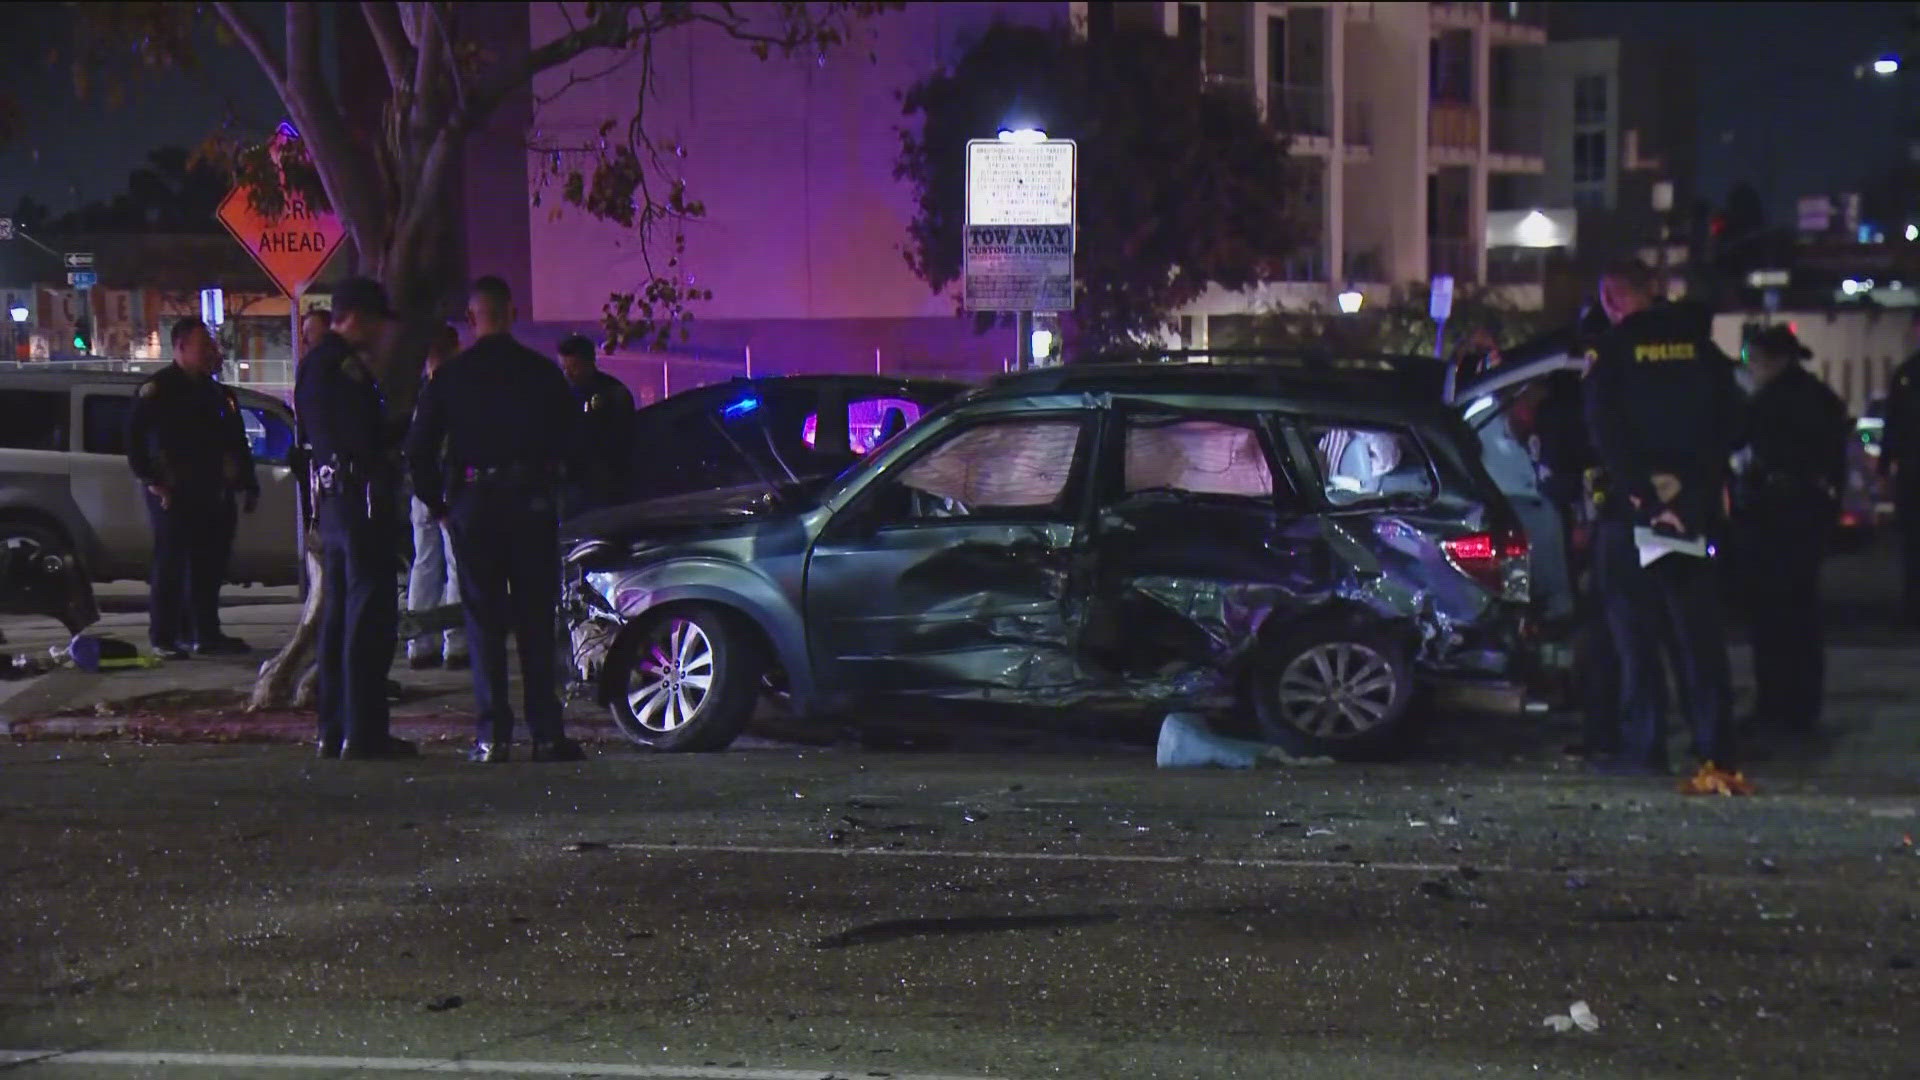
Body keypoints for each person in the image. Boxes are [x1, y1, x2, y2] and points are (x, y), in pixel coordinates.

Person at [408, 276, 584, 763]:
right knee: (534, 620)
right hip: (529, 503)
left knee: (483, 622)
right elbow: (574, 439)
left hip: (476, 504)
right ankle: (546, 733)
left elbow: (418, 450)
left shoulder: (451, 377)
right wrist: (555, 487)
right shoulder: (541, 373)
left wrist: (441, 506)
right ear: (512, 312)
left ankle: (493, 736)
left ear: (471, 318)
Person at [1583, 259, 1746, 778]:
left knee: (1636, 641)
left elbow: (1606, 434)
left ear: (1612, 297)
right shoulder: (1701, 350)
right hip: (1693, 516)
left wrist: (1644, 499)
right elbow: (1734, 425)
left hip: (1632, 520)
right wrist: (1688, 499)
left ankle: (1644, 746)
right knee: (1699, 640)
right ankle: (1713, 747)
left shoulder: (1610, 354)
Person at [295, 277, 416, 761]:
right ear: (359, 317)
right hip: (359, 500)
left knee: (340, 618)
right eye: (379, 321)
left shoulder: (312, 366)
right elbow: (361, 438)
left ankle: (334, 727)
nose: (384, 333)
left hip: (334, 503)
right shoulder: (344, 367)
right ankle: (363, 732)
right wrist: (402, 429)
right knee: (368, 619)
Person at [1735, 325, 1850, 748]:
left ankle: (1778, 705)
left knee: (1775, 616)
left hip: (1776, 519)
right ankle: (1799, 704)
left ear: (1775, 359)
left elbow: (1746, 444)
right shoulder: (1819, 397)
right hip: (1805, 517)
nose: (1752, 369)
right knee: (1800, 614)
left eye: (1754, 360)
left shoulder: (1774, 402)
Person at [126, 316, 258, 660]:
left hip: (213, 492)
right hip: (175, 491)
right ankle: (165, 636)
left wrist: (247, 482)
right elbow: (134, 441)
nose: (209, 352)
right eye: (203, 346)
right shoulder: (159, 390)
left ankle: (205, 632)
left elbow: (235, 441)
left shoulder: (216, 392)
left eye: (210, 346)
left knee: (209, 564)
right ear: (181, 347)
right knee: (171, 564)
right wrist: (153, 482)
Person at [404, 325, 469, 670]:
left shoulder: (418, 389)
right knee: (456, 566)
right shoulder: (455, 389)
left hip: (422, 489)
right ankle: (456, 645)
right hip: (449, 489)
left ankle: (419, 645)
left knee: (424, 564)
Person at [556, 334, 636, 520]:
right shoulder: (560, 395)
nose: (568, 374)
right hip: (569, 484)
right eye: (564, 368)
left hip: (604, 484)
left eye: (573, 367)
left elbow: (623, 439)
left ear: (590, 362)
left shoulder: (613, 393)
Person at [1882, 323, 1920, 624]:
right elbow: (1894, 422)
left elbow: (1894, 423)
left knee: (1912, 541)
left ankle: (1912, 604)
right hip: (1912, 467)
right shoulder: (1906, 374)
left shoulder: (1906, 374)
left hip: (1911, 467)